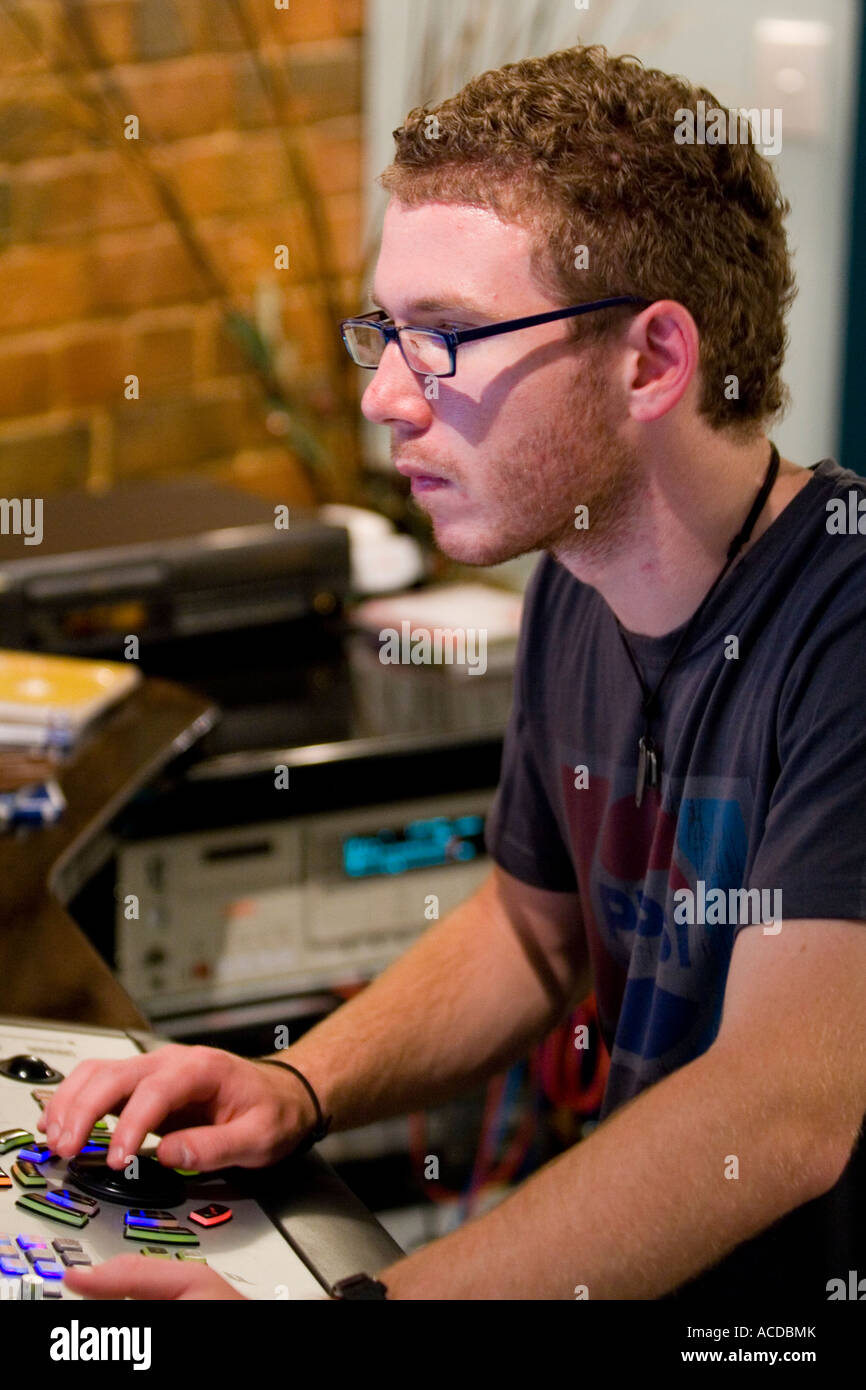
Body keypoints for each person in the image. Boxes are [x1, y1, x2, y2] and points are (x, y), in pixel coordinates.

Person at [45, 43, 866, 1301]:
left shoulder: (845, 626)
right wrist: (295, 1083)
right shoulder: (577, 586)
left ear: (651, 359)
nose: (383, 395)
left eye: (446, 339)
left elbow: (784, 1106)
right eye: (386, 330)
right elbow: (532, 932)